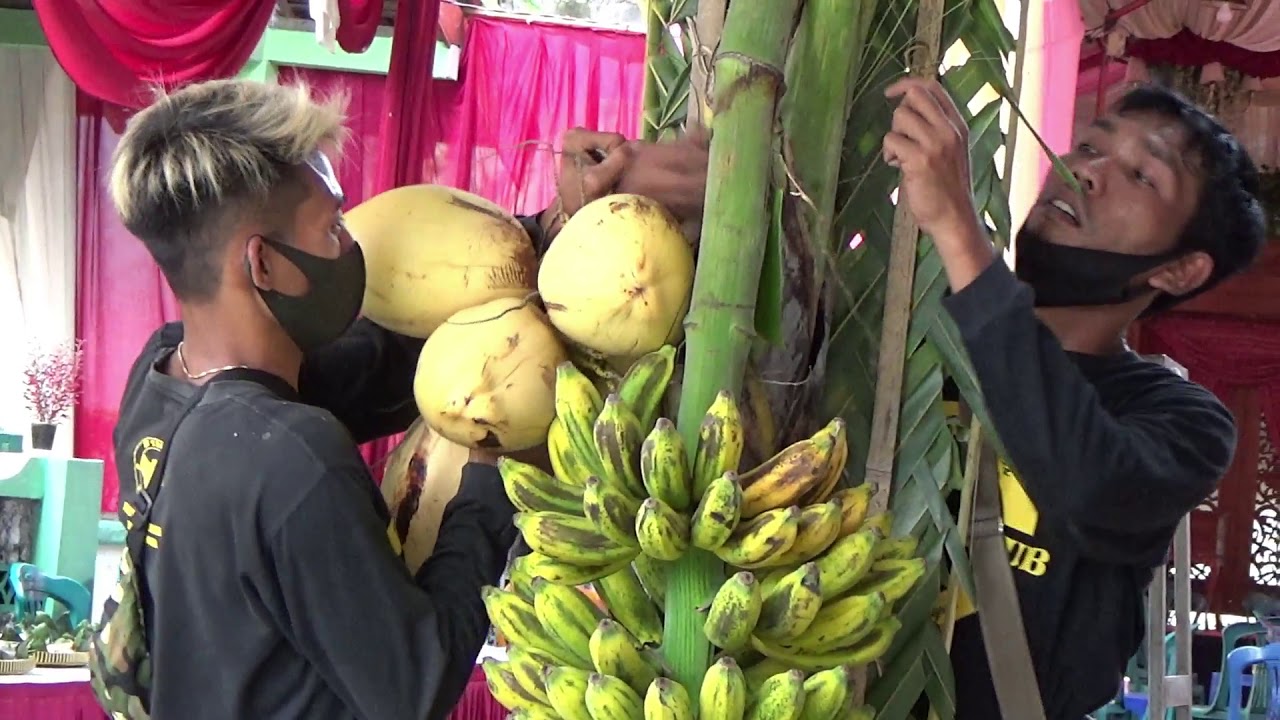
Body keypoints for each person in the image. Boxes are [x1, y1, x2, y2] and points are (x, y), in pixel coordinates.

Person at [106, 78, 707, 720]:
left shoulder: (163, 379)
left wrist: (552, 237)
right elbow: (415, 685)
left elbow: (379, 365)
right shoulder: (290, 459)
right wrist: (497, 468)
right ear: (263, 265)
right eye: (332, 230)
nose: (351, 247)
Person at [883, 77, 1267, 718]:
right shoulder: (913, 326)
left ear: (1178, 270)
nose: (1084, 171)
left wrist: (958, 227)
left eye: (1142, 175)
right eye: (1090, 146)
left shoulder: (1184, 421)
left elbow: (1086, 483)